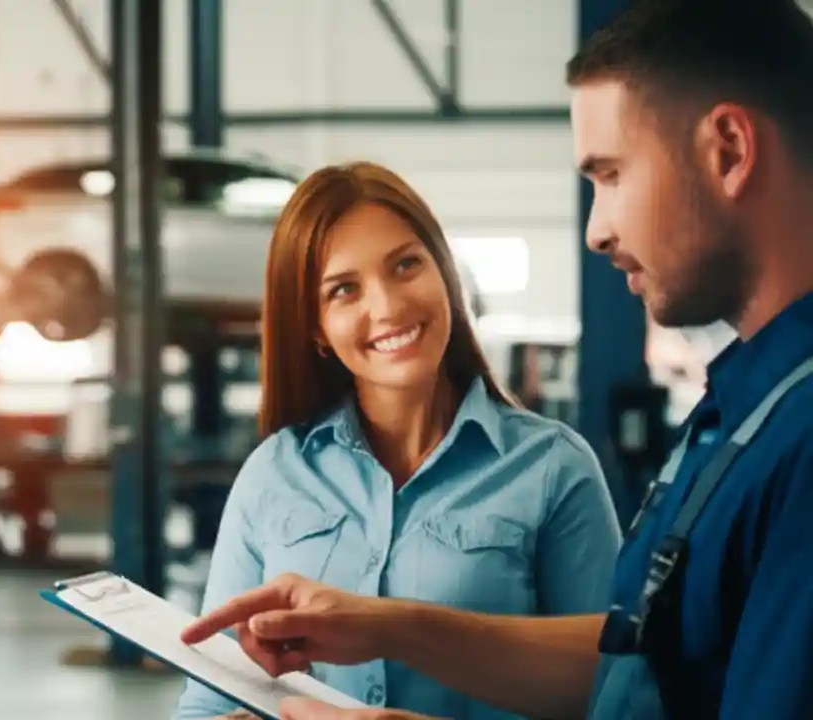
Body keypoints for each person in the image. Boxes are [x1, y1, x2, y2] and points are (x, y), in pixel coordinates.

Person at [180, 1, 813, 719]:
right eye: (344, 290)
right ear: (316, 326)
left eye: (610, 174)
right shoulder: (738, 417)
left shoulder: (776, 438)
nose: (597, 231)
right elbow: (636, 667)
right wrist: (385, 625)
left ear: (728, 149)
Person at [172, 161, 622, 720]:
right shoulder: (274, 472)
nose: (386, 307)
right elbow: (207, 702)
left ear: (445, 273)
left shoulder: (552, 469)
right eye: (344, 290)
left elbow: (617, 695)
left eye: (406, 265)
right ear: (315, 327)